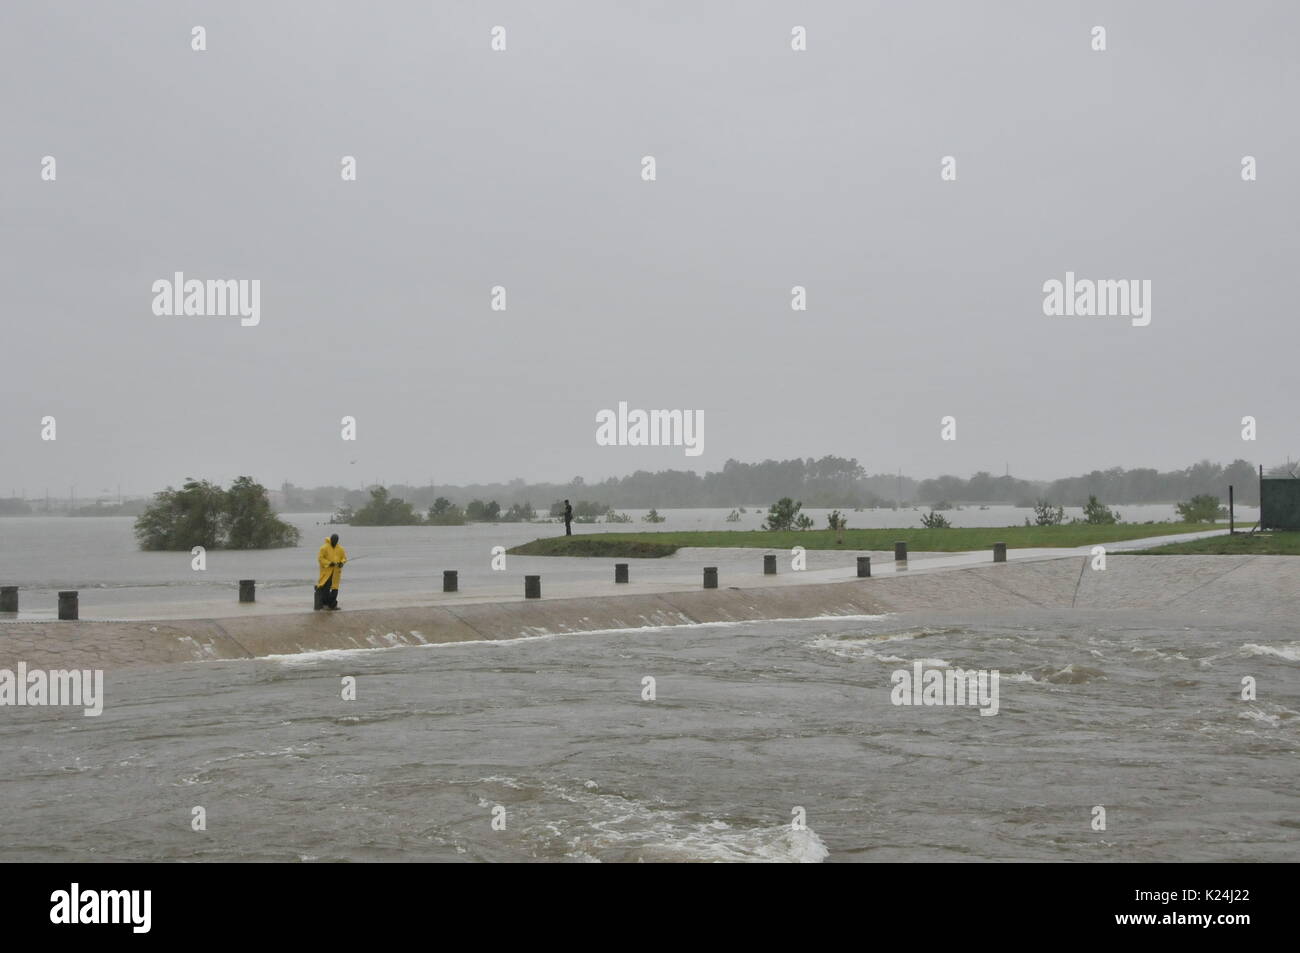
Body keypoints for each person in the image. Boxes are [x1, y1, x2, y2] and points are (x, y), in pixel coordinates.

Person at [315, 533, 348, 610]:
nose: (335, 541)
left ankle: (332, 605)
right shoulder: (324, 548)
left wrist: (341, 563)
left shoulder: (340, 549)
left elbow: (344, 558)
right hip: (326, 572)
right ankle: (328, 604)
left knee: (335, 589)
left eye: (336, 540)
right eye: (333, 540)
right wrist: (329, 563)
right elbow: (320, 559)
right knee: (325, 589)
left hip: (336, 572)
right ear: (330, 539)